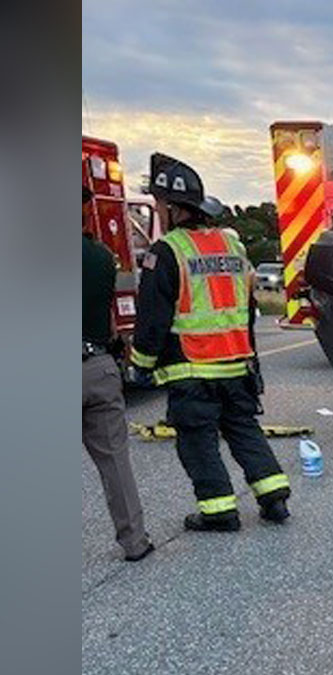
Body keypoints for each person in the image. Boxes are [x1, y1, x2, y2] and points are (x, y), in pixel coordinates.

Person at [129, 154, 291, 532]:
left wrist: (141, 364)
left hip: (192, 368)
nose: (158, 210)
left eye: (159, 204)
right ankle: (274, 497)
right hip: (236, 362)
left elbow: (153, 317)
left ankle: (219, 512)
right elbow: (246, 307)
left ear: (172, 208)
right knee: (243, 429)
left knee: (197, 441)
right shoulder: (233, 247)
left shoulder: (167, 251)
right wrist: (252, 360)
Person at [83, 185, 154, 561]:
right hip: (99, 367)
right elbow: (111, 322)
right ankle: (135, 541)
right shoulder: (102, 257)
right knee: (115, 461)